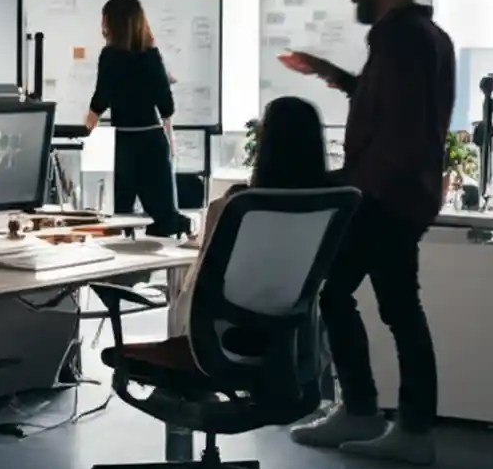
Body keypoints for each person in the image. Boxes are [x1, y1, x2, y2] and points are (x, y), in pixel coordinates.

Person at [280, 0, 454, 465]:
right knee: (397, 308)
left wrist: (348, 187)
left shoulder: (401, 40)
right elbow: (393, 104)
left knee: (337, 295)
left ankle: (364, 411)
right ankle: (405, 424)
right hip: (402, 194)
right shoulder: (427, 36)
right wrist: (334, 75)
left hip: (384, 197)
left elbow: (399, 130)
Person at [103, 95, 330, 371]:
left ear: (265, 145)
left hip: (219, 345)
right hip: (291, 348)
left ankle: (184, 397)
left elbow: (198, 285)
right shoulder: (327, 208)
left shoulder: (238, 206)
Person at [85, 0, 190, 237]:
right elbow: (166, 106)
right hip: (151, 140)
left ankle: (120, 269)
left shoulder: (110, 55)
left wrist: (87, 127)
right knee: (164, 215)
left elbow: (101, 97)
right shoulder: (152, 55)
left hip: (122, 142)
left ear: (112, 23)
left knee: (119, 216)